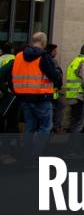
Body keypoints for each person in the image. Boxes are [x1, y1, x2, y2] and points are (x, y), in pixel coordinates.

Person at [9, 32, 62, 160]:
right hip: (41, 97)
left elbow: (12, 76)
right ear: (43, 43)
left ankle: (27, 153)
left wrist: (15, 91)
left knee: (30, 126)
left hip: (24, 97)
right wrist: (58, 81)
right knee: (45, 127)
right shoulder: (44, 57)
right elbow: (54, 75)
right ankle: (36, 154)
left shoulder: (19, 56)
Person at [64, 40, 84, 137]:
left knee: (74, 123)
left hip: (73, 97)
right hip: (81, 97)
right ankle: (73, 149)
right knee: (78, 125)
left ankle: (72, 148)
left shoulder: (76, 60)